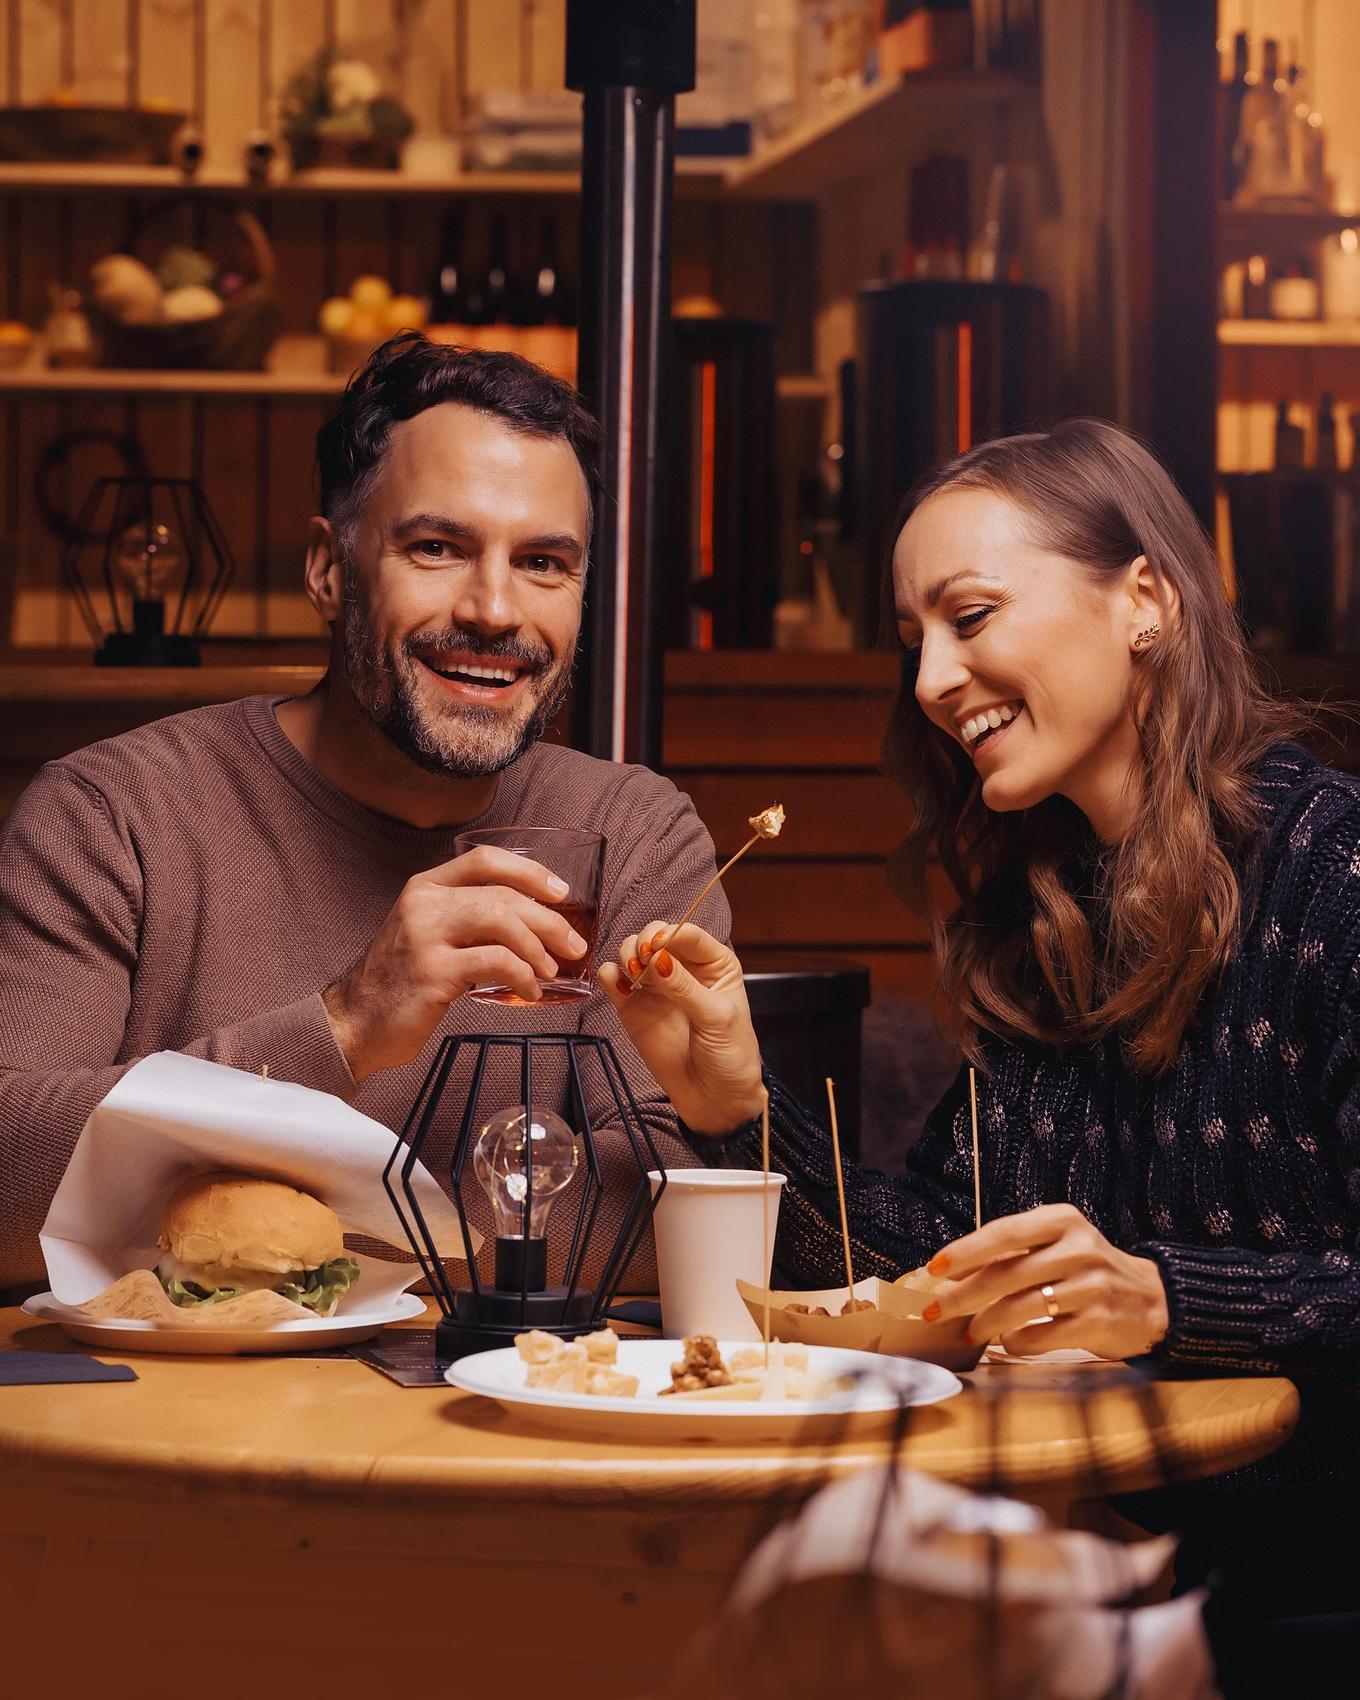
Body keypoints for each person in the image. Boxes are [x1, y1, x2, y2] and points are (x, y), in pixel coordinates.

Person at [599, 418, 1360, 1696]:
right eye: (914, 643)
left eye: (971, 614)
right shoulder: (1038, 915)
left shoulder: (1336, 875)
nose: (934, 680)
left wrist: (1169, 1298)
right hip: (1097, 1571)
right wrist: (737, 1108)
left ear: (1146, 599)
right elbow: (936, 1261)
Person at [0, 333, 726, 1289]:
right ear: (328, 569)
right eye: (437, 547)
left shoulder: (632, 833)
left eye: (545, 562)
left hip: (511, 1423)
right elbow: (8, 1185)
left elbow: (674, 1214)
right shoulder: (114, 817)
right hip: (174, 1424)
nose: (495, 610)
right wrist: (341, 1027)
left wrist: (230, 1224)